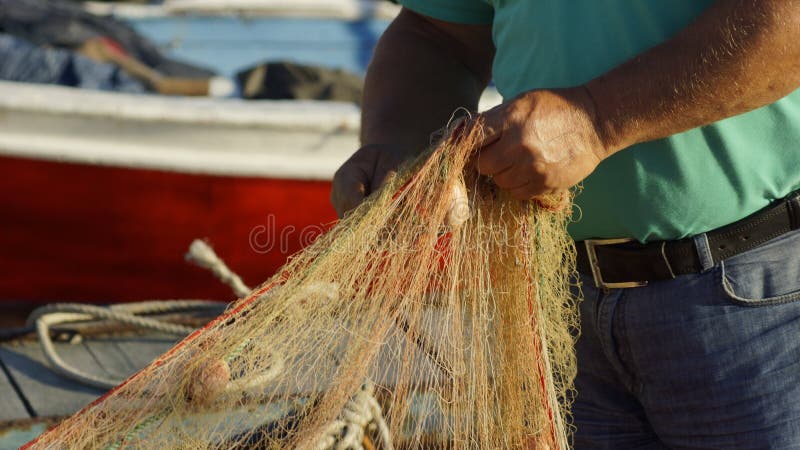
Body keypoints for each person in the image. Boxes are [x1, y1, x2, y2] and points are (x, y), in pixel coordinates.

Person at [330, 1, 800, 448]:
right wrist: (396, 148)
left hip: (756, 300)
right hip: (561, 308)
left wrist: (596, 120)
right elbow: (439, 33)